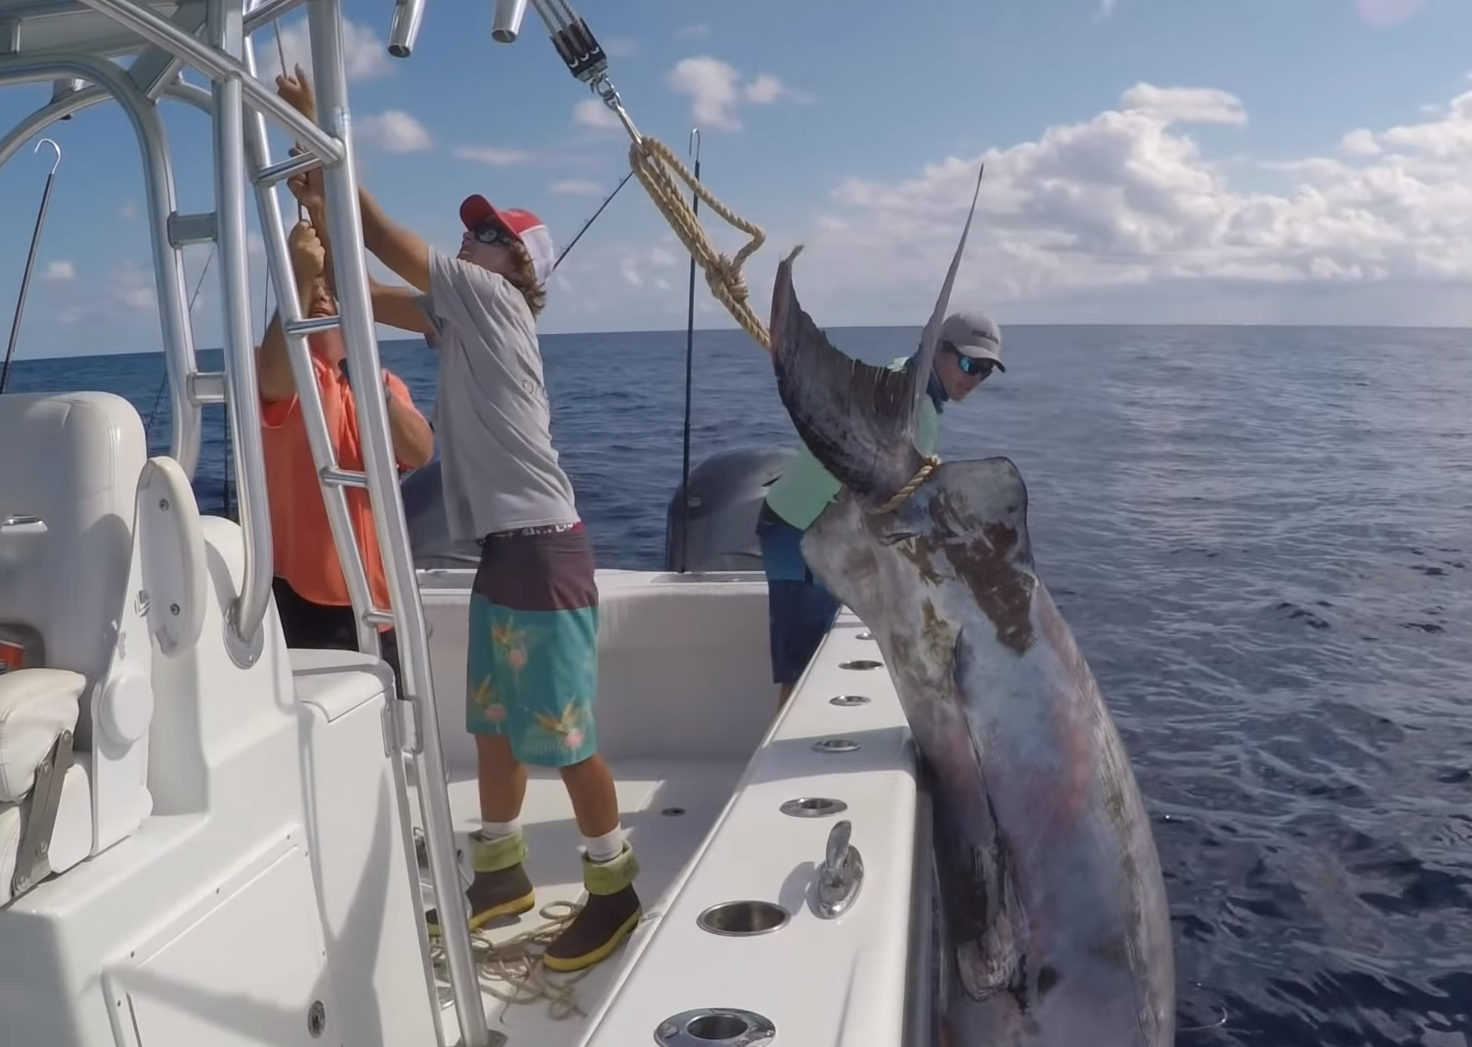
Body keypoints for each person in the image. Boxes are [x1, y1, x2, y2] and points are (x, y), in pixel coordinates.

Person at [276, 66, 641, 974]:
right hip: (507, 558)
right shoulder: (464, 316)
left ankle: (613, 884)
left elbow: (385, 243)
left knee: (563, 733)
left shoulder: (492, 300)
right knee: (494, 724)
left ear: (520, 268)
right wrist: (314, 223)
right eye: (473, 229)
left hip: (548, 554)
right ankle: (502, 876)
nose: (471, 238)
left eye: (489, 235)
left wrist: (322, 145)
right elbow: (354, 300)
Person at [757, 311, 1006, 704]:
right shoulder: (917, 408)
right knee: (801, 668)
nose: (972, 377)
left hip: (809, 528)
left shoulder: (899, 375)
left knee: (819, 652)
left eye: (984, 371)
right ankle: (780, 758)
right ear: (935, 348)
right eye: (966, 363)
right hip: (799, 531)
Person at [257, 194, 435, 688]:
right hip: (306, 607)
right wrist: (297, 274)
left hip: (382, 603)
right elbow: (273, 379)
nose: (321, 294)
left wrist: (365, 382)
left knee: (393, 733)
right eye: (312, 289)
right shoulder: (283, 370)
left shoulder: (380, 381)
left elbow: (419, 450)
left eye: (329, 289)